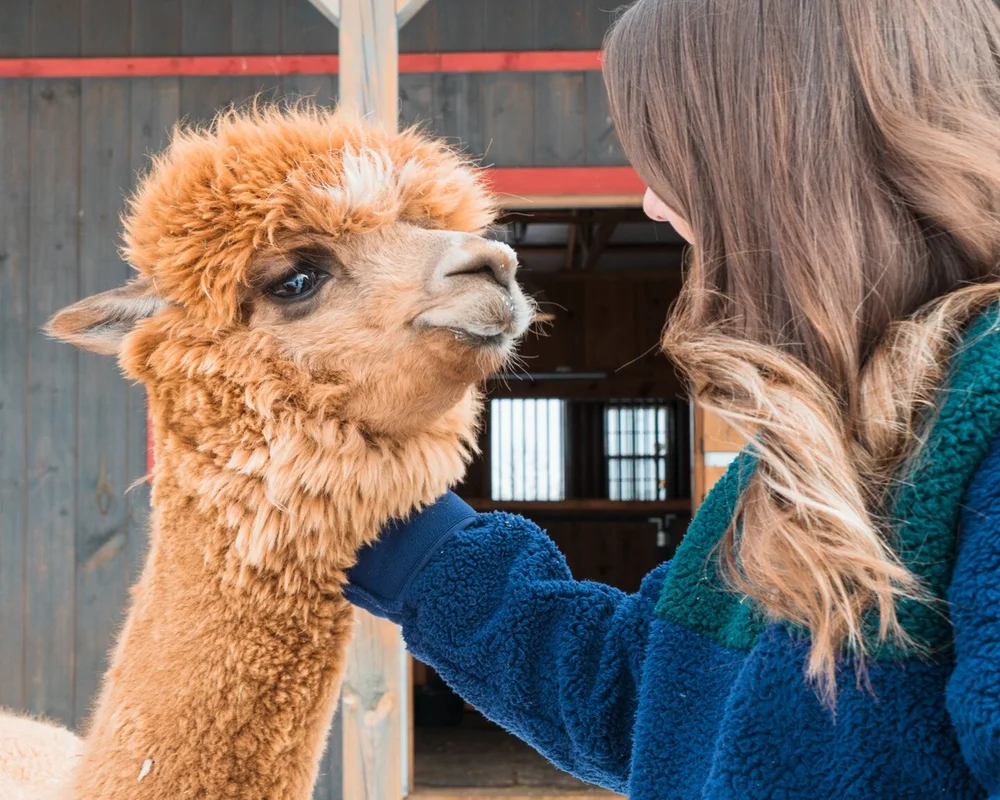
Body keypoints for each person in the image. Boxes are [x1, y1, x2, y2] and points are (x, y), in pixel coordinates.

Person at [345, 1, 1000, 797]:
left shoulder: (976, 433)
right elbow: (658, 700)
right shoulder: (824, 442)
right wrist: (409, 536)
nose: (653, 204)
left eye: (678, 159)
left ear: (787, 157)